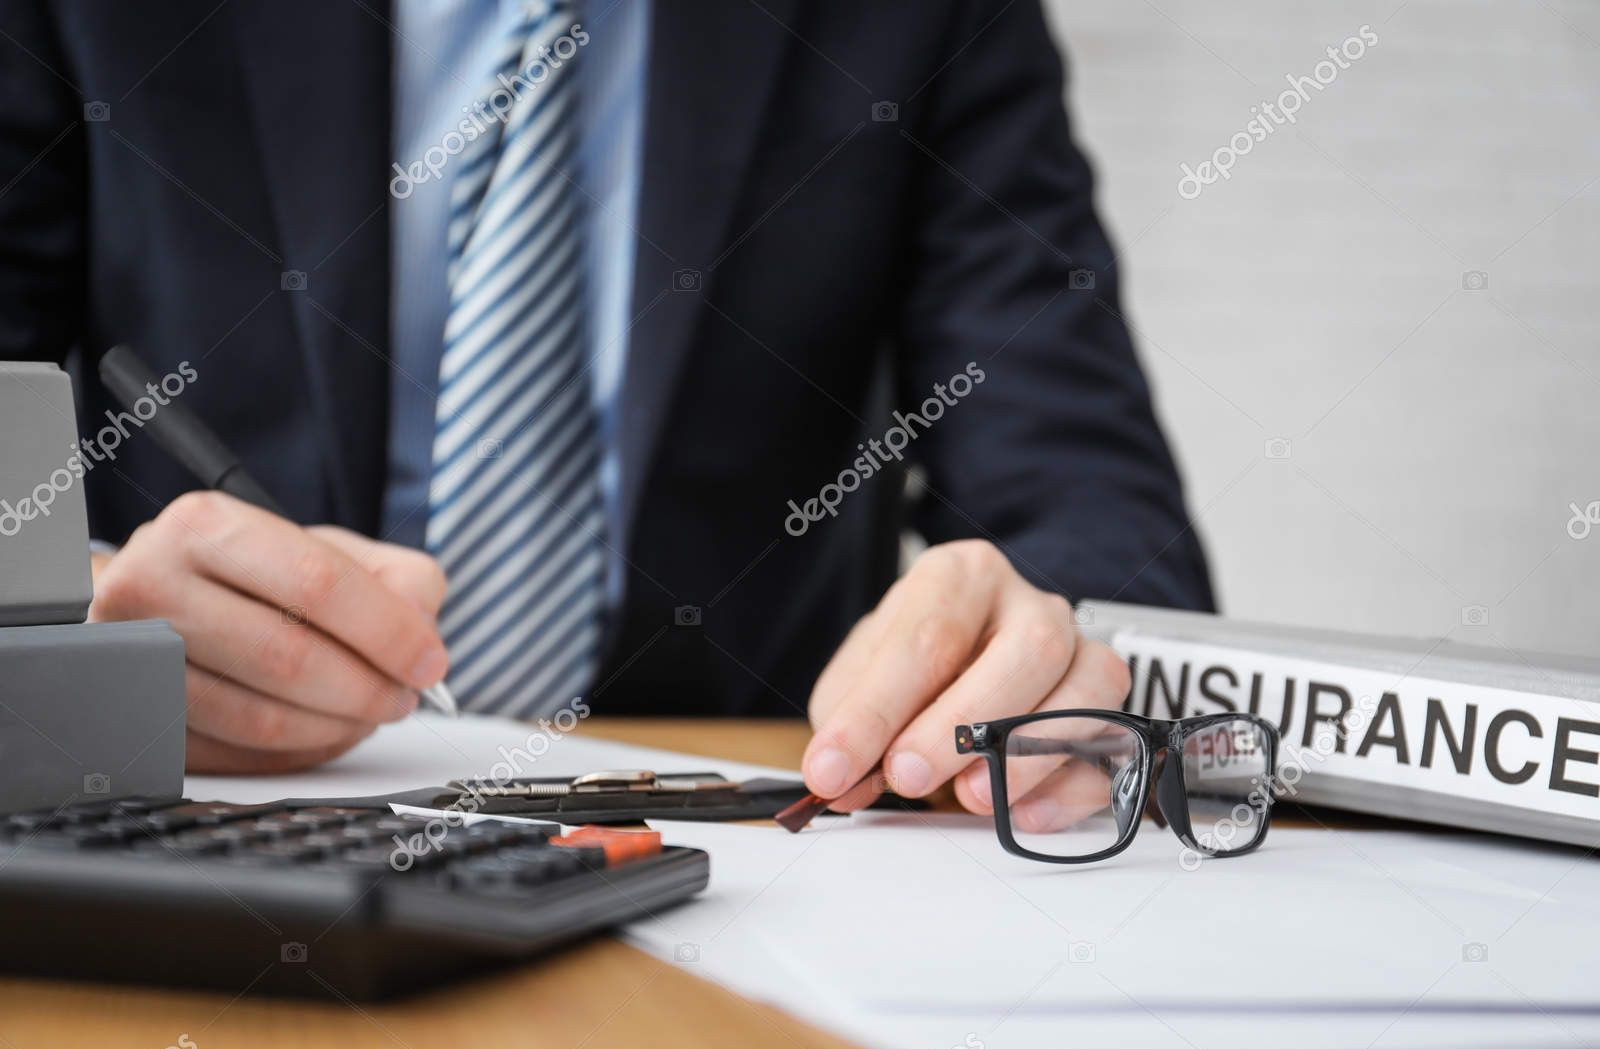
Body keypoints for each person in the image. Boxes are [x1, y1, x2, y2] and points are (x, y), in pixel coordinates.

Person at [0, 0, 1212, 823]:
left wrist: (1038, 648)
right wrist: (79, 630)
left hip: (756, 826)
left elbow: (1101, 517)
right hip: (220, 818)